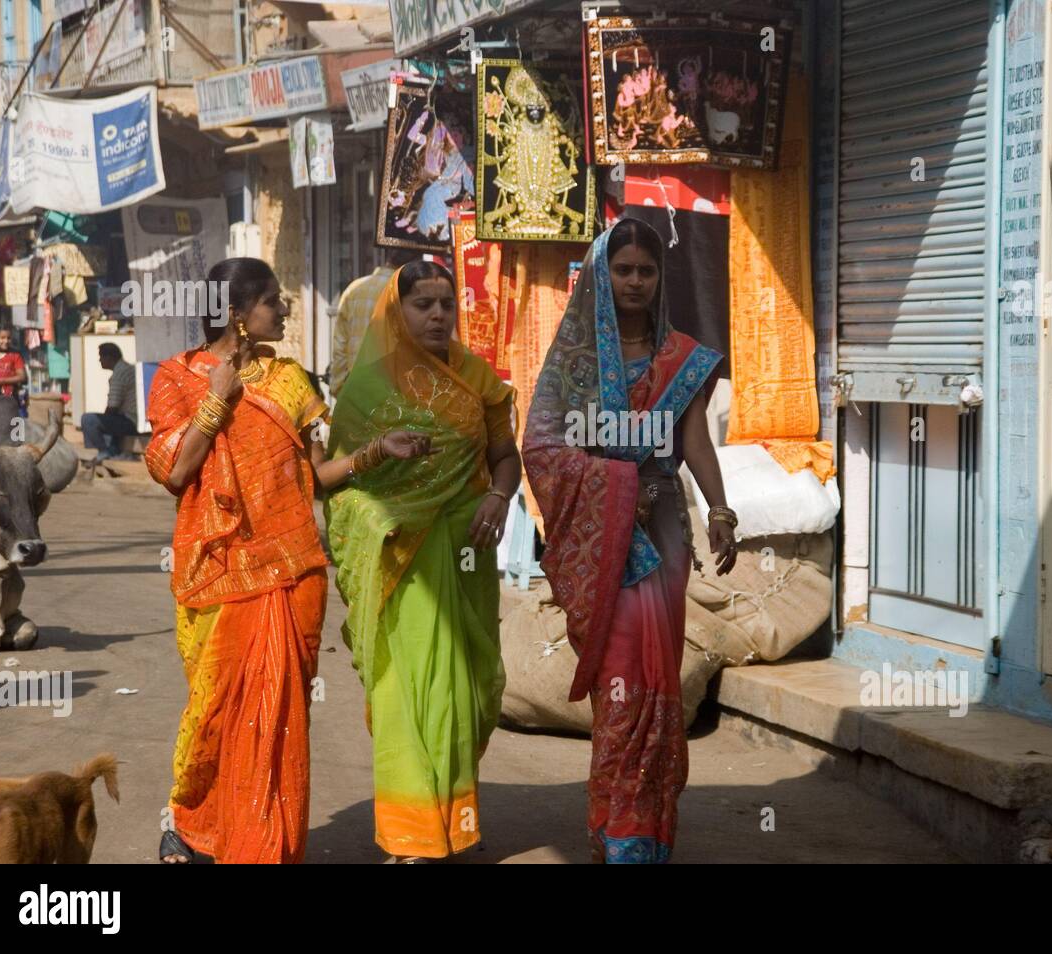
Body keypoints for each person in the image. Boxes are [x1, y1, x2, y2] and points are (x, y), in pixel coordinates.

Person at [145, 257, 430, 864]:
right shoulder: (177, 378)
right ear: (238, 315)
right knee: (217, 713)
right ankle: (193, 824)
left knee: (279, 719)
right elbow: (174, 470)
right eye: (274, 300)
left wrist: (378, 452)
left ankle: (264, 845)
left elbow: (318, 477)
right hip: (218, 572)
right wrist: (218, 401)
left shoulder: (292, 381)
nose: (286, 309)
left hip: (295, 569)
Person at [523, 218, 737, 864]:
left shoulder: (681, 357)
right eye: (624, 270)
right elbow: (540, 446)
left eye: (647, 270)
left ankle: (645, 829)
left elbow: (693, 438)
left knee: (657, 679)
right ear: (601, 276)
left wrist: (720, 508)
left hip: (664, 533)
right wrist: (614, 485)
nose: (636, 281)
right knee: (620, 683)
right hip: (608, 537)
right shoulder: (574, 362)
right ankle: (618, 827)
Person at [326, 259, 520, 862]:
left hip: (466, 550)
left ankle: (455, 823)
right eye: (423, 305)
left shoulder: (478, 378)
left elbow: (506, 457)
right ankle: (412, 835)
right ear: (397, 311)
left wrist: (498, 495)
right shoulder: (366, 389)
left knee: (462, 686)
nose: (437, 315)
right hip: (400, 556)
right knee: (406, 690)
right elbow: (330, 482)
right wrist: (378, 456)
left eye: (446, 305)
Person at [329, 248, 412, 399]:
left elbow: (340, 346)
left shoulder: (354, 289)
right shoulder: (407, 292)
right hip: (395, 394)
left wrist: (338, 389)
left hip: (358, 391)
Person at [80, 342, 139, 462]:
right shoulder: (126, 368)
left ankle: (103, 452)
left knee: (88, 420)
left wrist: (101, 422)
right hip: (133, 419)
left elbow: (113, 407)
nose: (99, 360)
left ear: (109, 357)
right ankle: (111, 450)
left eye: (101, 356)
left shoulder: (119, 373)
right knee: (102, 421)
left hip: (131, 421)